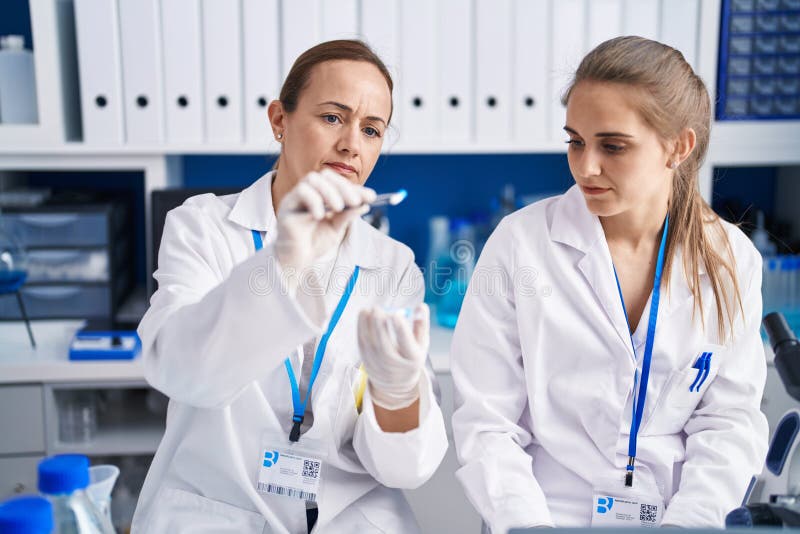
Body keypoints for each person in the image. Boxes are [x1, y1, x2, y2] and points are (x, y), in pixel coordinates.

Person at [451, 36, 768, 531]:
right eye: (575, 141)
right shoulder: (521, 244)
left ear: (678, 147)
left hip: (676, 517)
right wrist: (525, 523)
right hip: (547, 515)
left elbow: (728, 422)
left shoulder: (730, 259)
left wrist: (691, 522)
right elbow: (487, 420)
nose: (586, 167)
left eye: (612, 146)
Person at [132, 40, 447, 533]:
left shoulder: (392, 266)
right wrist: (284, 262)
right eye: (332, 117)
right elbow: (180, 371)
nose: (352, 145)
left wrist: (399, 392)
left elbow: (405, 469)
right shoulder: (203, 228)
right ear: (280, 119)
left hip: (349, 517)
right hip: (217, 512)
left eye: (371, 130)